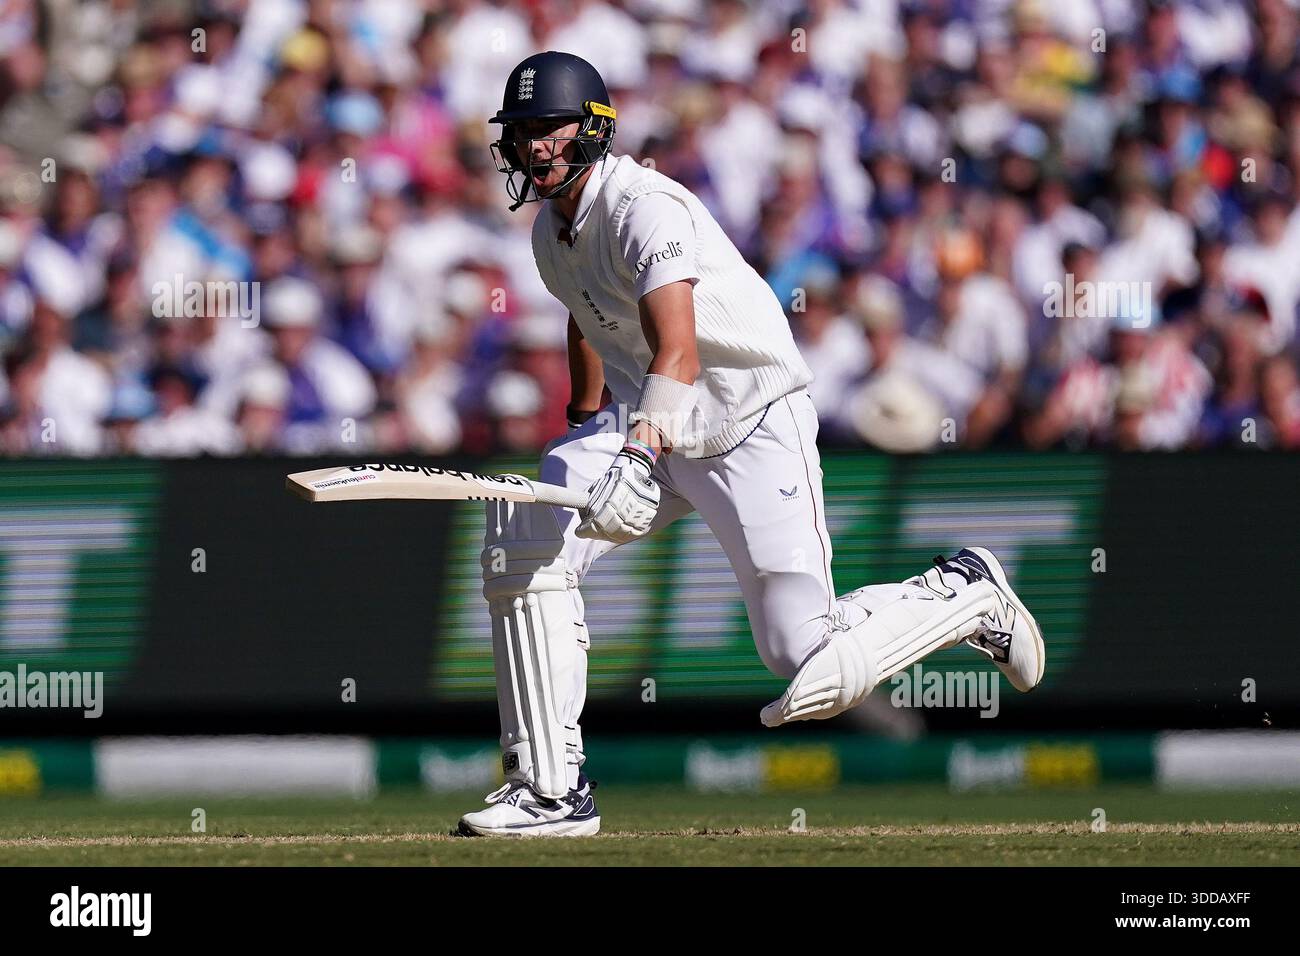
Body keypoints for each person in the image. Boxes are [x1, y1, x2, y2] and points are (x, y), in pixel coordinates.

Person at [458, 52, 1046, 838]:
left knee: (807, 659)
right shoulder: (549, 234)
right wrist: (585, 419)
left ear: (595, 132)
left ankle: (963, 589)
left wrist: (635, 453)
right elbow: (589, 313)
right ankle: (551, 790)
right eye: (521, 132)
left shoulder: (647, 208)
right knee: (524, 536)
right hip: (656, 422)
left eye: (548, 129)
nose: (533, 147)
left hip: (747, 420)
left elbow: (680, 350)